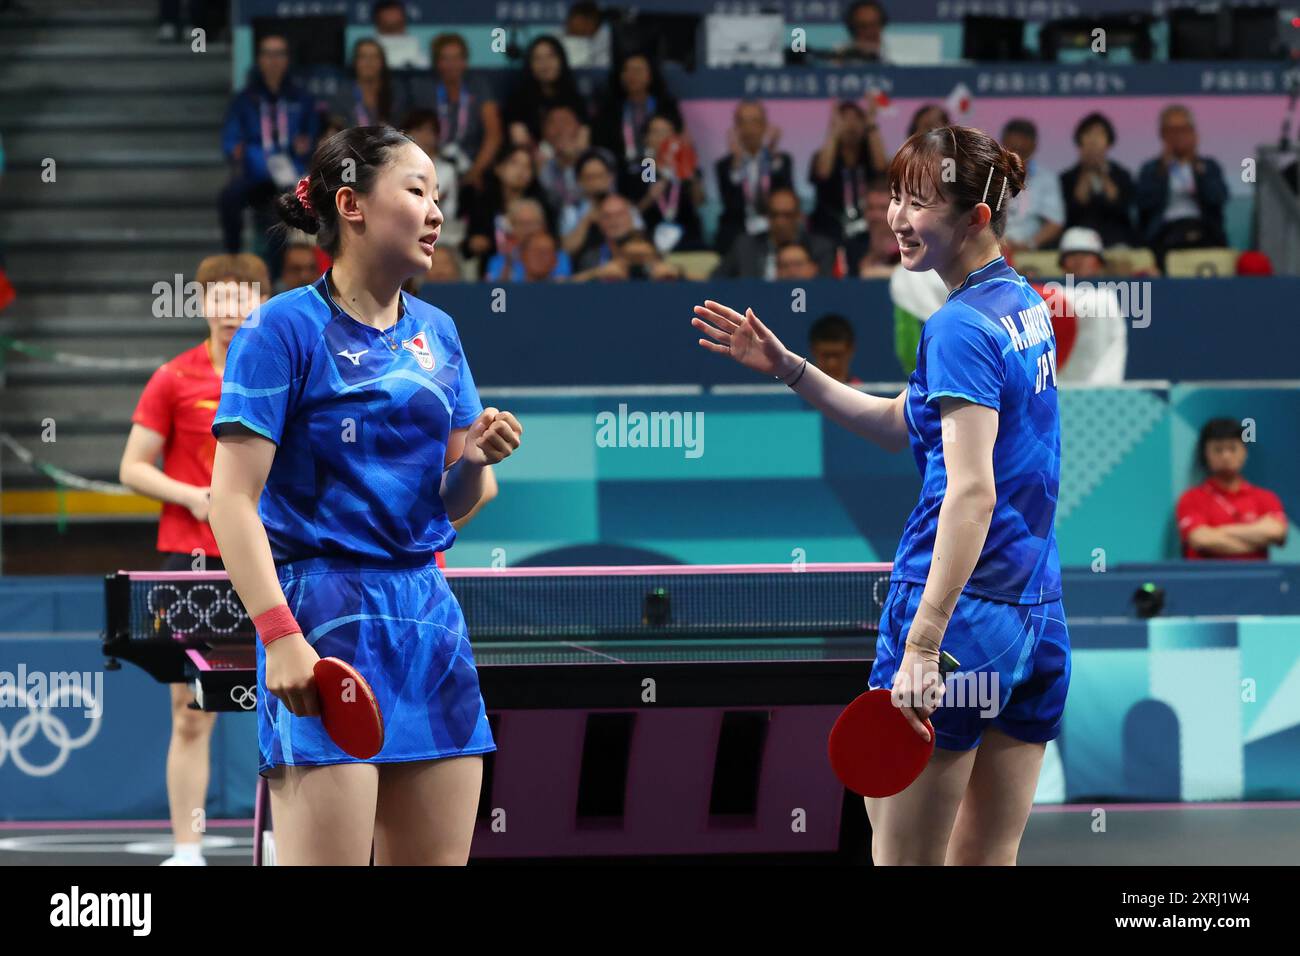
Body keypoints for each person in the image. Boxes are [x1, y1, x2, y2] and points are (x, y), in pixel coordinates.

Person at [693, 125, 1069, 866]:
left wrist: (924, 642)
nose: (896, 215)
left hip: (956, 616)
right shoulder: (1019, 303)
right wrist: (792, 368)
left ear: (976, 218)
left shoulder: (958, 326)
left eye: (920, 201)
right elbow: (905, 422)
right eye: (895, 194)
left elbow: (971, 495)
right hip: (1034, 613)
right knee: (988, 856)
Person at [207, 126, 523, 865]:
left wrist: (475, 461)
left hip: (428, 621)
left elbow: (454, 502)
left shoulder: (439, 333)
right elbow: (231, 500)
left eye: (439, 195)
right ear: (350, 204)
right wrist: (281, 635)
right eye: (417, 191)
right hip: (323, 620)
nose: (437, 212)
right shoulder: (281, 329)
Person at [119, 252, 271, 867]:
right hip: (191, 566)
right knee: (190, 716)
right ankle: (187, 850)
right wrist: (195, 498)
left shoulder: (281, 372)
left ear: (262, 302)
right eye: (221, 298)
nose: (232, 310)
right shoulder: (173, 378)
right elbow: (131, 467)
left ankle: (281, 839)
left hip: (266, 558)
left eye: (245, 297)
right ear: (203, 303)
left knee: (283, 707)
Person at [218, 34, 318, 267]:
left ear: (287, 59)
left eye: (279, 54)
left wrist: (307, 145)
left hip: (291, 174)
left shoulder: (301, 99)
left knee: (281, 207)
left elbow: (311, 136)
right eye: (267, 54)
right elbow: (231, 138)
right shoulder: (245, 100)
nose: (273, 60)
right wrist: (235, 149)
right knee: (229, 198)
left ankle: (276, 273)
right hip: (255, 172)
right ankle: (232, 259)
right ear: (259, 60)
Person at [1177, 419, 1287, 560]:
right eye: (1218, 449)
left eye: (1232, 448)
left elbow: (1276, 532)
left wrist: (1219, 531)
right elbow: (1201, 539)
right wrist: (1255, 539)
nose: (1226, 456)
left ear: (1244, 452)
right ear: (1205, 454)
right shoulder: (1191, 498)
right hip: (1207, 579)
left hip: (1256, 579)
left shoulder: (1265, 497)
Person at [1135, 105, 1229, 271]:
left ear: (1193, 133)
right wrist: (1162, 171)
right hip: (1165, 232)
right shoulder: (1151, 169)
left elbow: (1218, 198)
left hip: (1203, 229)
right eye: (1172, 130)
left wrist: (1197, 168)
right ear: (1162, 135)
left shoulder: (1208, 166)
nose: (1178, 135)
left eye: (1183, 129)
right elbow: (1144, 203)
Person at [409, 33, 503, 197]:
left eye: (457, 58)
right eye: (445, 58)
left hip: (472, 162)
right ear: (437, 62)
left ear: (465, 61)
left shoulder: (479, 86)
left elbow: (493, 135)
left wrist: (475, 172)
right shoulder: (422, 89)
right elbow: (413, 130)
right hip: (433, 161)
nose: (452, 64)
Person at [810, 100, 888, 263]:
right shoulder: (824, 157)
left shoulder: (869, 156)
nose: (851, 125)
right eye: (845, 119)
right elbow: (822, 173)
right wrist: (833, 131)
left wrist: (872, 124)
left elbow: (882, 170)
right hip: (829, 229)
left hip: (867, 228)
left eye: (856, 119)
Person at [714, 100, 795, 256]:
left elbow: (785, 194)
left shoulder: (780, 160)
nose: (749, 128)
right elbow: (731, 204)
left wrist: (771, 155)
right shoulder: (724, 165)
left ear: (765, 126)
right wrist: (736, 164)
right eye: (743, 122)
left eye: (754, 121)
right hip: (738, 230)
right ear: (736, 128)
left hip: (772, 226)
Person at [713, 187, 835, 279]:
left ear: (799, 217)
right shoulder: (745, 247)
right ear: (767, 217)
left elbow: (826, 289)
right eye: (774, 215)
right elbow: (717, 281)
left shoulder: (819, 248)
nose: (780, 222)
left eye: (787, 215)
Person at [1059, 112, 1136, 248]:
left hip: (1115, 240)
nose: (1093, 141)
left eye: (1099, 135)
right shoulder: (1067, 178)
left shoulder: (1122, 175)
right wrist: (1087, 170)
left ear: (1108, 142)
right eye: (1088, 134)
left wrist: (1102, 172)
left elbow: (1119, 204)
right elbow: (1076, 205)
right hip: (1079, 242)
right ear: (1080, 141)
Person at [502, 35, 587, 147]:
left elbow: (583, 141)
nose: (545, 64)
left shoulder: (575, 98)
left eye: (551, 56)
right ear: (530, 65)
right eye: (537, 58)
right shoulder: (518, 101)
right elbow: (519, 141)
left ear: (561, 60)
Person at [1000, 118, 1064, 252]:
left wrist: (1030, 244)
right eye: (1012, 150)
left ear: (1033, 147)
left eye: (1022, 151)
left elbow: (1055, 223)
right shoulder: (987, 176)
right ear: (1002, 145)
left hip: (1029, 251)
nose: (1016, 156)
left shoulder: (1046, 179)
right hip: (992, 250)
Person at [328, 38, 407, 129]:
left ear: (382, 63)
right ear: (355, 62)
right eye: (363, 57)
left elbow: (402, 128)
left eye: (374, 57)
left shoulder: (396, 93)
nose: (368, 62)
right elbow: (336, 128)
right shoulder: (342, 94)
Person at [807, 313, 864, 385]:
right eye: (825, 355)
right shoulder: (795, 393)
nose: (832, 364)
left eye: (837, 355)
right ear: (813, 350)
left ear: (851, 350)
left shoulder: (866, 395)